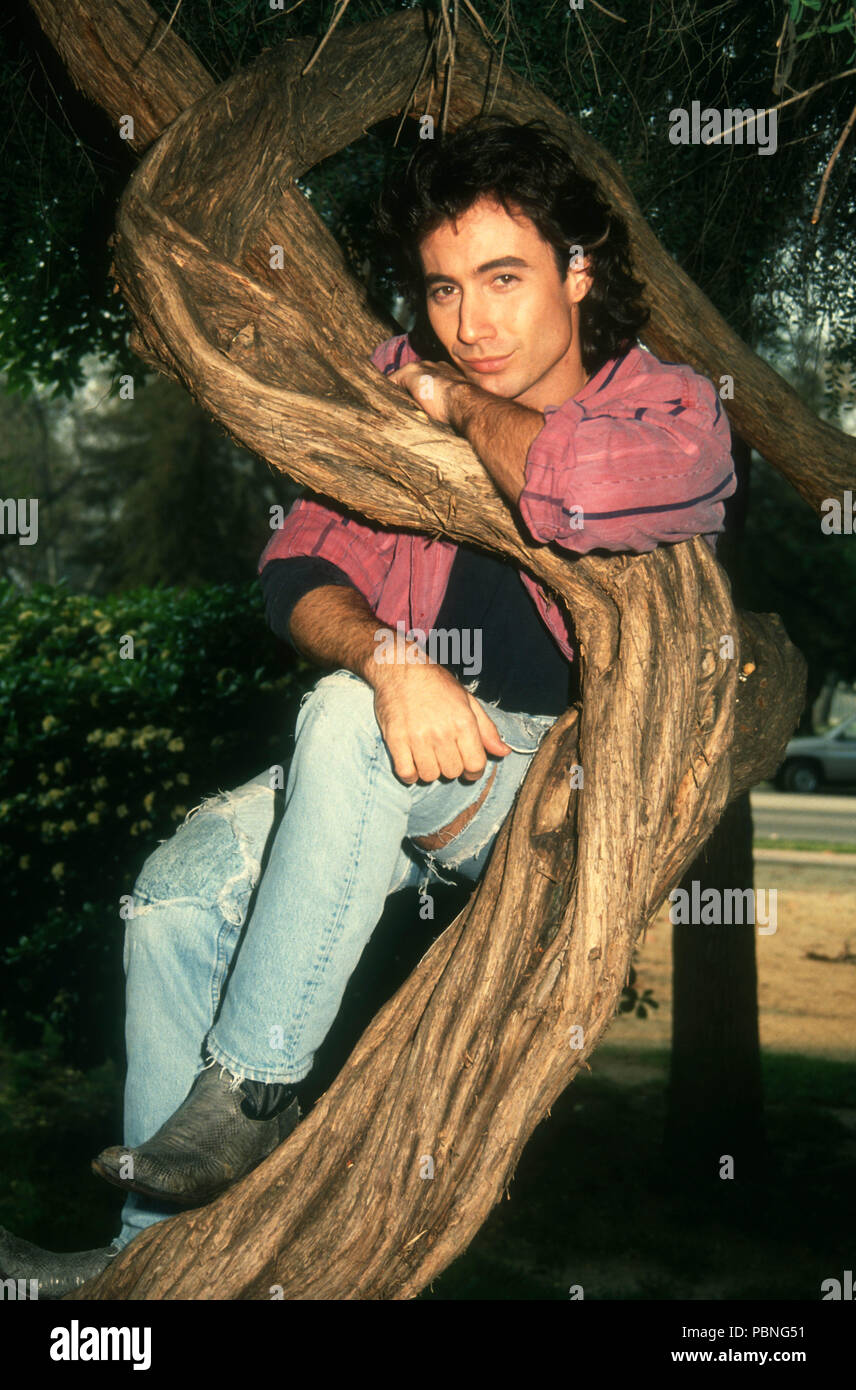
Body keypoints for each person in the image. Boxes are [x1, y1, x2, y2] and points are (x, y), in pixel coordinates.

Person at [0, 116, 735, 1296]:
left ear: (578, 272)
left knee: (343, 718)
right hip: (391, 749)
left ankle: (253, 1086)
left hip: (542, 777)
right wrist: (393, 655)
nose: (469, 322)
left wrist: (451, 415)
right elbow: (292, 567)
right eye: (442, 288)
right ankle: (147, 1270)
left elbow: (585, 492)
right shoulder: (392, 383)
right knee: (173, 902)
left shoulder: (670, 405)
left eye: (504, 279)